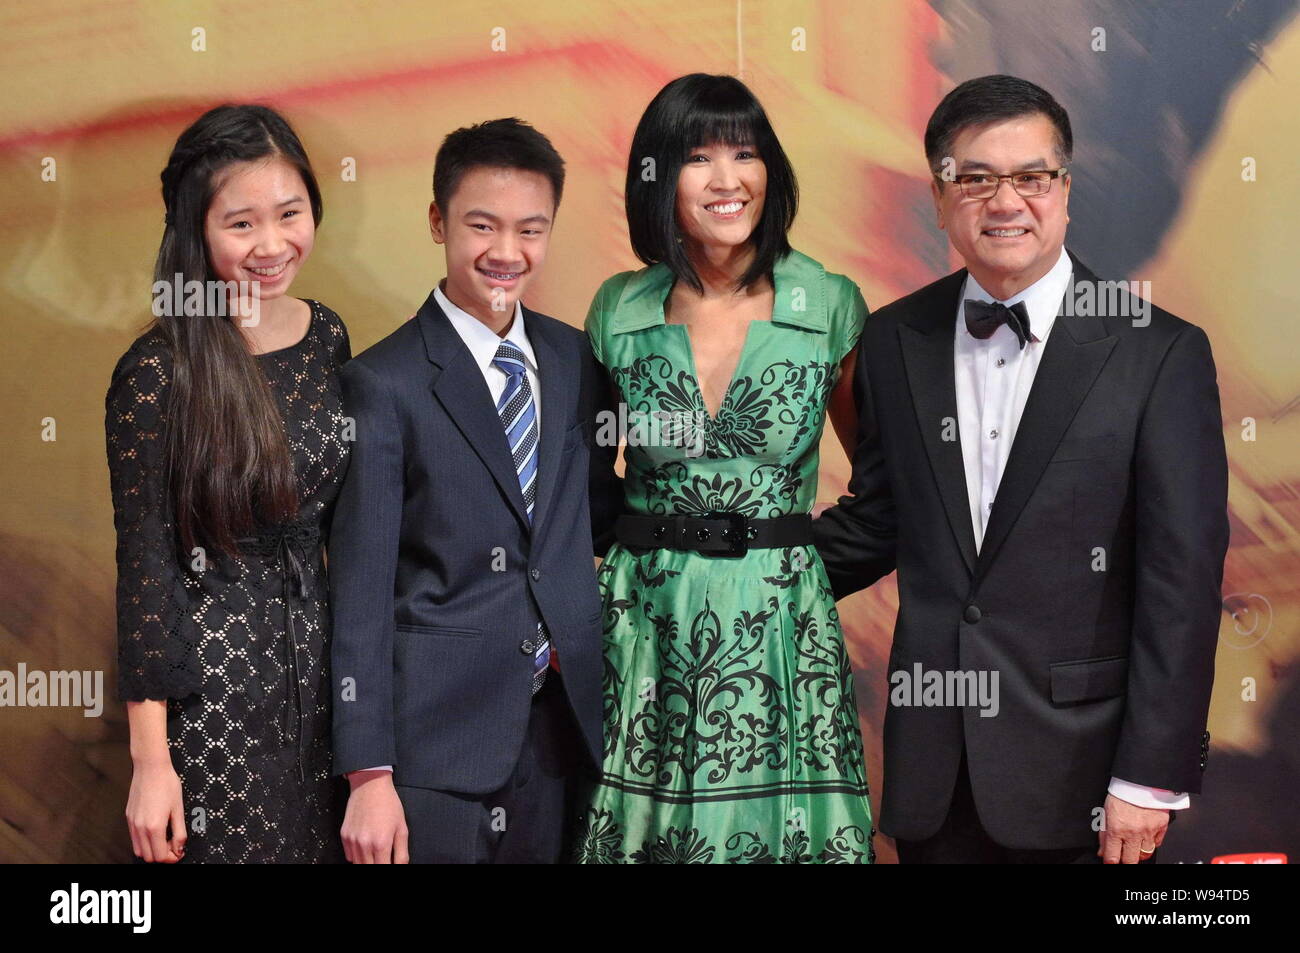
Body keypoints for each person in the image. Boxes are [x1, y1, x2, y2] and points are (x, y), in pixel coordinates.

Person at [813, 74, 1230, 864]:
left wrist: (1146, 780)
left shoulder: (1158, 350)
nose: (1005, 201)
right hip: (933, 780)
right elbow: (877, 524)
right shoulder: (897, 339)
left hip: (1085, 781)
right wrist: (712, 573)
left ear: (1065, 191)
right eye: (974, 178)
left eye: (1032, 176)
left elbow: (1182, 582)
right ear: (940, 198)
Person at [573, 74, 875, 864]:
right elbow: (587, 482)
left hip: (785, 633)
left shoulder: (829, 303)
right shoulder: (618, 309)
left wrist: (796, 570)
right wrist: (623, 577)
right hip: (647, 627)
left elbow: (884, 489)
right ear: (656, 177)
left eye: (745, 154)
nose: (726, 179)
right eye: (697, 157)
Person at [329, 118, 622, 863]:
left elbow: (592, 517)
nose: (505, 252)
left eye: (531, 229)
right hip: (435, 743)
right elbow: (360, 588)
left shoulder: (573, 358)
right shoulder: (383, 382)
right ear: (438, 222)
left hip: (564, 728)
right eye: (481, 225)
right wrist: (369, 772)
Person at [107, 104, 351, 863]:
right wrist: (152, 763)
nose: (273, 245)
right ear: (196, 229)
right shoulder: (158, 372)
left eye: (290, 213)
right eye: (241, 224)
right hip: (213, 697)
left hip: (322, 679)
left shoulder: (329, 335)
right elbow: (147, 570)